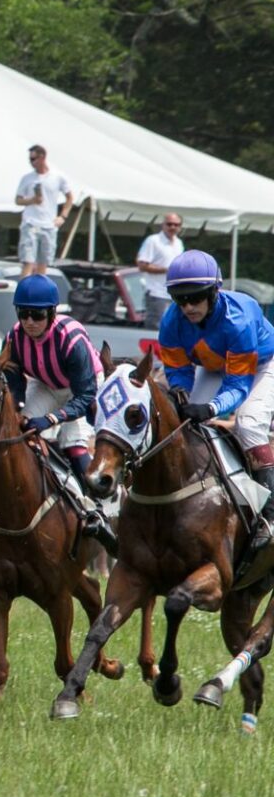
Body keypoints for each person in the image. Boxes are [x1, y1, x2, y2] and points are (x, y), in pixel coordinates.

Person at [0, 276, 118, 554]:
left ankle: (94, 509)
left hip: (83, 387)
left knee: (73, 442)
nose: (30, 321)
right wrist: (17, 412)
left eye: (37, 314)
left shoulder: (72, 339)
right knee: (16, 434)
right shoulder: (14, 338)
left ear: (52, 313)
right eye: (23, 314)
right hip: (46, 383)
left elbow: (85, 396)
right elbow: (15, 383)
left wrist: (52, 419)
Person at [157, 250, 274, 550]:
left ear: (213, 292)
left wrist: (210, 408)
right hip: (215, 365)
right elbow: (178, 370)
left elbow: (238, 386)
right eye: (180, 299)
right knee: (183, 425)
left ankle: (271, 514)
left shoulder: (238, 319)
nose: (188, 307)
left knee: (247, 425)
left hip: (261, 366)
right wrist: (180, 394)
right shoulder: (171, 321)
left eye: (195, 298)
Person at [13, 144, 74, 278]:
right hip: (30, 223)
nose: (31, 162)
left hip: (48, 225)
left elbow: (70, 197)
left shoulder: (57, 177)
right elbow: (18, 200)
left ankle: (38, 294)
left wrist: (62, 217)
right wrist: (32, 200)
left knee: (43, 264)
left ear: (42, 157)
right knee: (28, 261)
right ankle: (23, 294)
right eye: (30, 159)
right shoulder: (27, 178)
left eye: (33, 159)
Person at [137, 213, 185, 327]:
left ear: (180, 227)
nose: (172, 227)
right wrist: (167, 270)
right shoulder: (153, 241)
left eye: (176, 225)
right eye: (169, 224)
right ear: (163, 225)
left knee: (172, 327)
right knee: (155, 328)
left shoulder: (179, 243)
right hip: (156, 293)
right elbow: (142, 265)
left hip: (174, 294)